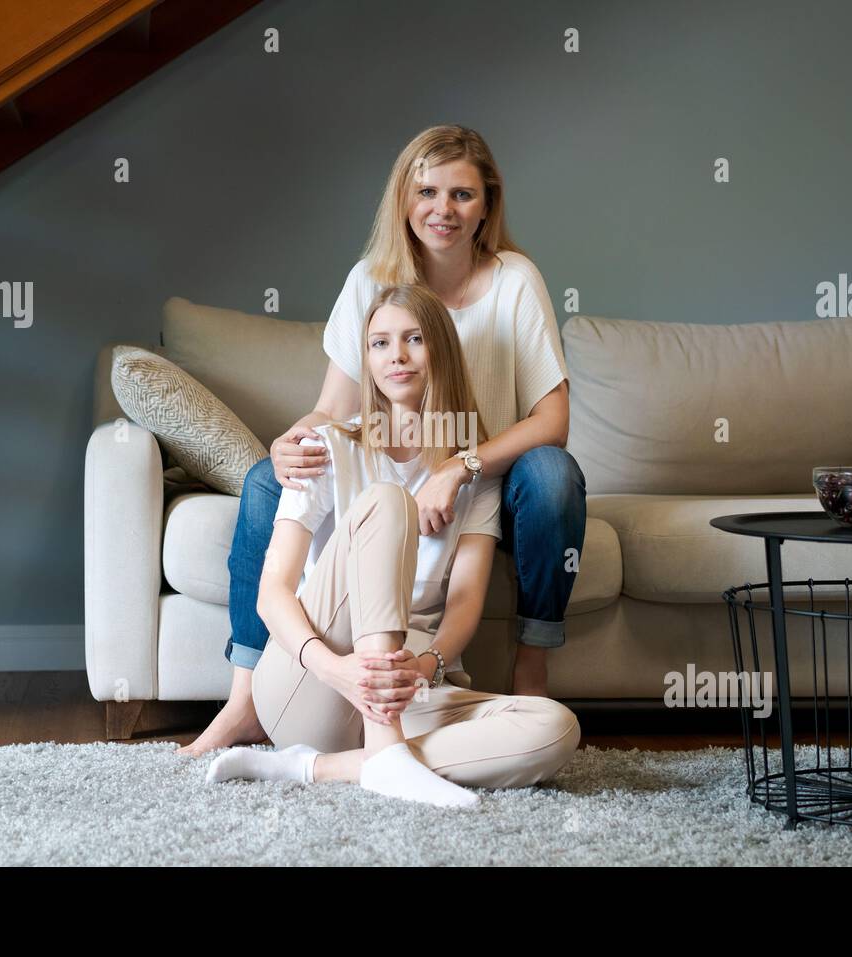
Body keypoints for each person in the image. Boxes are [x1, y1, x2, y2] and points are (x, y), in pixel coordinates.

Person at [178, 124, 586, 757]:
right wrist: (291, 444)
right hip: (390, 479)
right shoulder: (370, 279)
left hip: (487, 470)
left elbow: (551, 421)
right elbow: (334, 412)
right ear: (403, 199)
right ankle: (247, 698)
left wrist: (462, 464)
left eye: (462, 195)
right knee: (267, 475)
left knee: (554, 474)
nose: (442, 211)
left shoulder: (514, 279)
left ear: (487, 204)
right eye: (426, 191)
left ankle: (531, 665)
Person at [201, 284, 580, 807]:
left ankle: (318, 768)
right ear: (366, 361)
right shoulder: (324, 448)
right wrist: (339, 670)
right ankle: (385, 746)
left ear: (441, 351)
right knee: (388, 501)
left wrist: (424, 668)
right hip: (316, 684)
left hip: (417, 686)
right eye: (379, 343)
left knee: (556, 727)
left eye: (414, 339)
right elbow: (272, 593)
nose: (395, 355)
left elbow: (465, 601)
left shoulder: (476, 475)